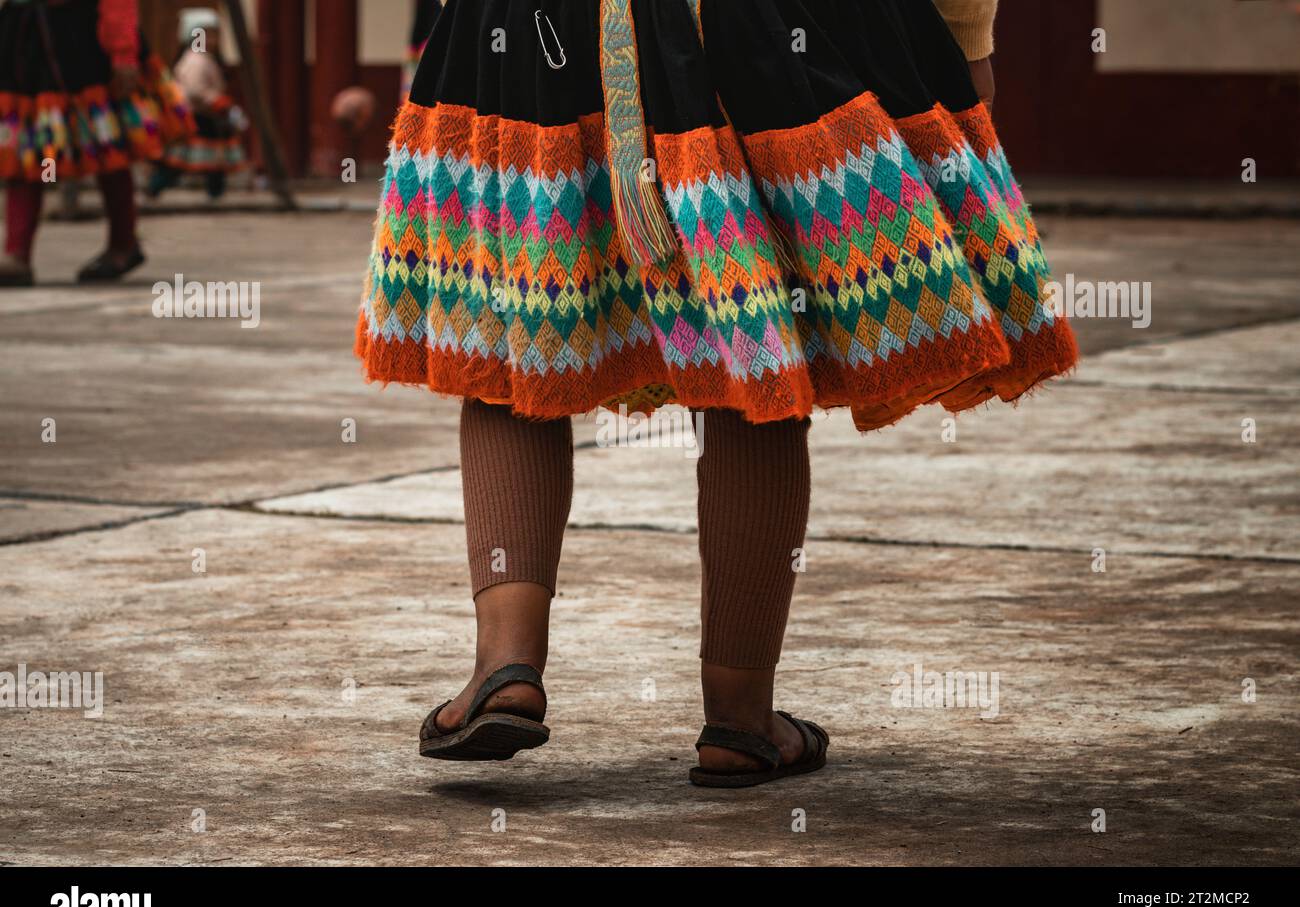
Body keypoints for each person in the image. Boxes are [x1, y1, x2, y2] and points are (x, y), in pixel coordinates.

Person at [355, 0, 1079, 787]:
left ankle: (507, 665)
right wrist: (965, 40)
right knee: (752, 365)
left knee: (513, 342)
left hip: (532, 30)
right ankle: (739, 718)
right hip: (758, 28)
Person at [0, 0, 192, 286]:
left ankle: (123, 243)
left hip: (81, 41)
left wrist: (123, 51)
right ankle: (17, 252)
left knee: (106, 148)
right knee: (26, 151)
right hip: (24, 42)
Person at [145, 8, 247, 202]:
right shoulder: (196, 59)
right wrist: (216, 101)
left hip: (206, 117)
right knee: (180, 161)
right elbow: (194, 89)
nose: (214, 40)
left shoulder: (205, 58)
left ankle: (215, 192)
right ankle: (156, 186)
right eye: (207, 34)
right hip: (197, 116)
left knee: (214, 161)